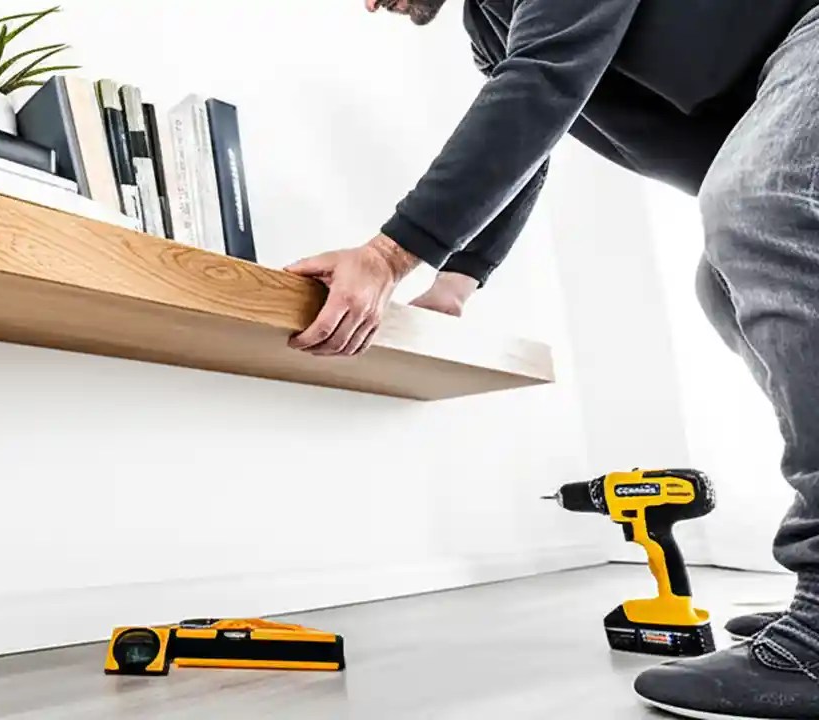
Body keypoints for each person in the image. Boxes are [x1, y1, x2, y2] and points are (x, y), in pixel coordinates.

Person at [284, 0, 819, 717]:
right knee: (725, 282)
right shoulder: (488, 21)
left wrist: (389, 255)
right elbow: (538, 126)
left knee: (758, 207)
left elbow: (545, 78)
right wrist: (454, 285)